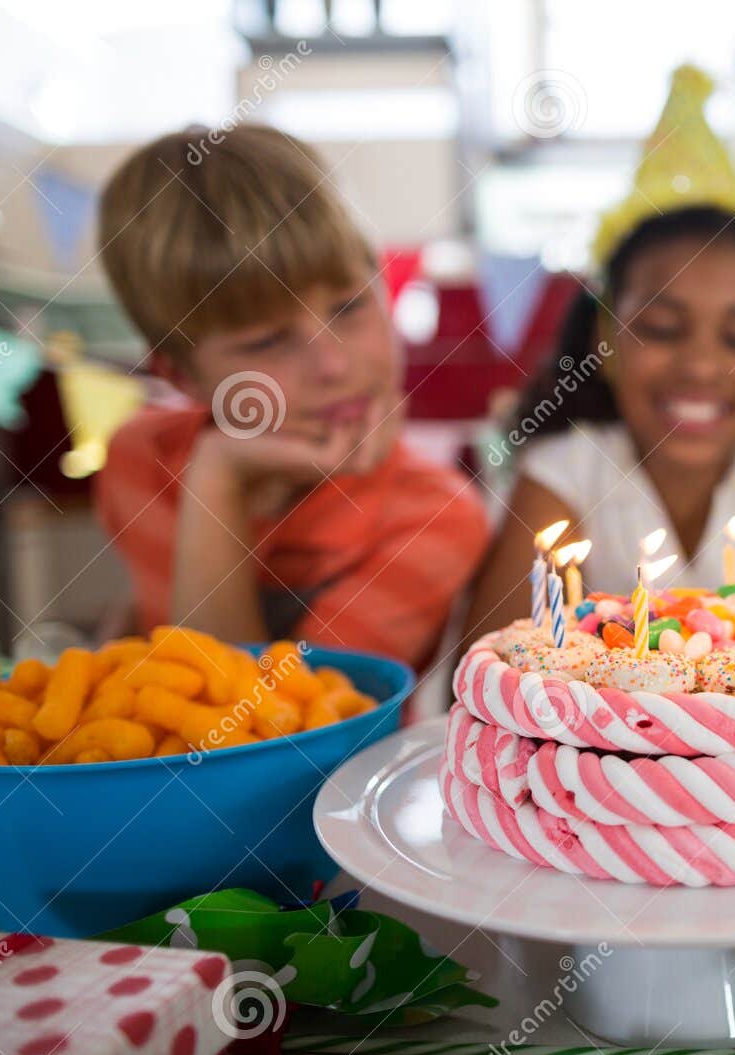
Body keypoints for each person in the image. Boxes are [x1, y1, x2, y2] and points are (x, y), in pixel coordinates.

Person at [463, 67, 735, 639]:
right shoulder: (568, 471)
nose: (700, 366)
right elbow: (490, 667)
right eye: (663, 328)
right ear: (607, 339)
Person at [93, 124, 487, 670]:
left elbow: (256, 730)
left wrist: (219, 477)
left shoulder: (434, 515)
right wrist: (219, 473)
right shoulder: (139, 462)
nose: (335, 365)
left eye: (349, 307)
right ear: (180, 375)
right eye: (268, 341)